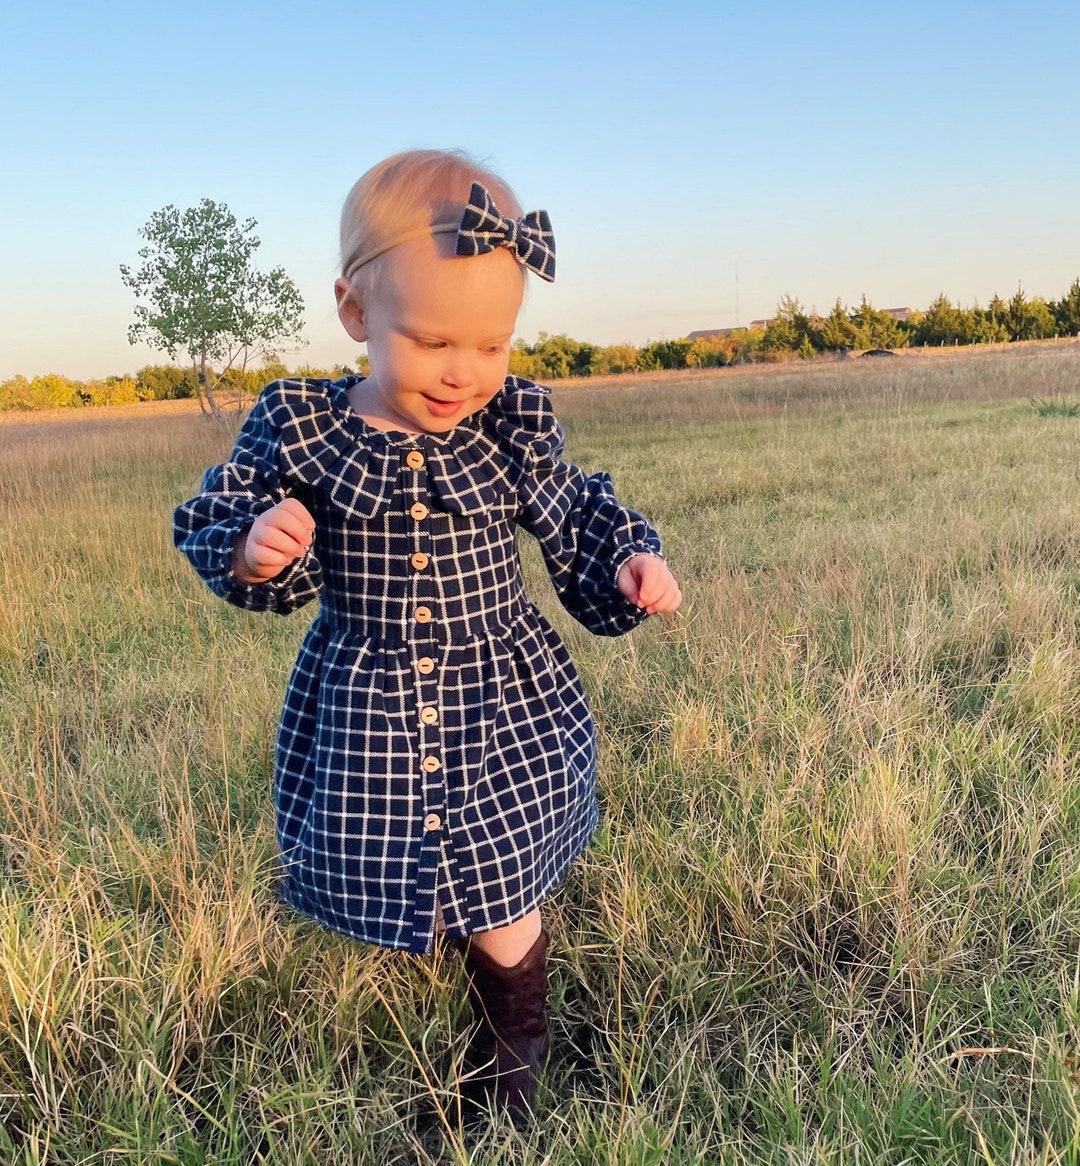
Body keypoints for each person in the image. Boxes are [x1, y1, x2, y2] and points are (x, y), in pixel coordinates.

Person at [173, 149, 682, 1124]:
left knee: (499, 878)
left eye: (492, 344)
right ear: (356, 312)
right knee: (399, 845)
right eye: (434, 338)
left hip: (499, 688)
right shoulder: (302, 426)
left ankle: (515, 1043)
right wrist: (252, 545)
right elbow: (222, 505)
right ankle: (443, 917)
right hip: (369, 695)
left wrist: (626, 561)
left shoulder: (510, 428)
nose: (466, 370)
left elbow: (571, 516)